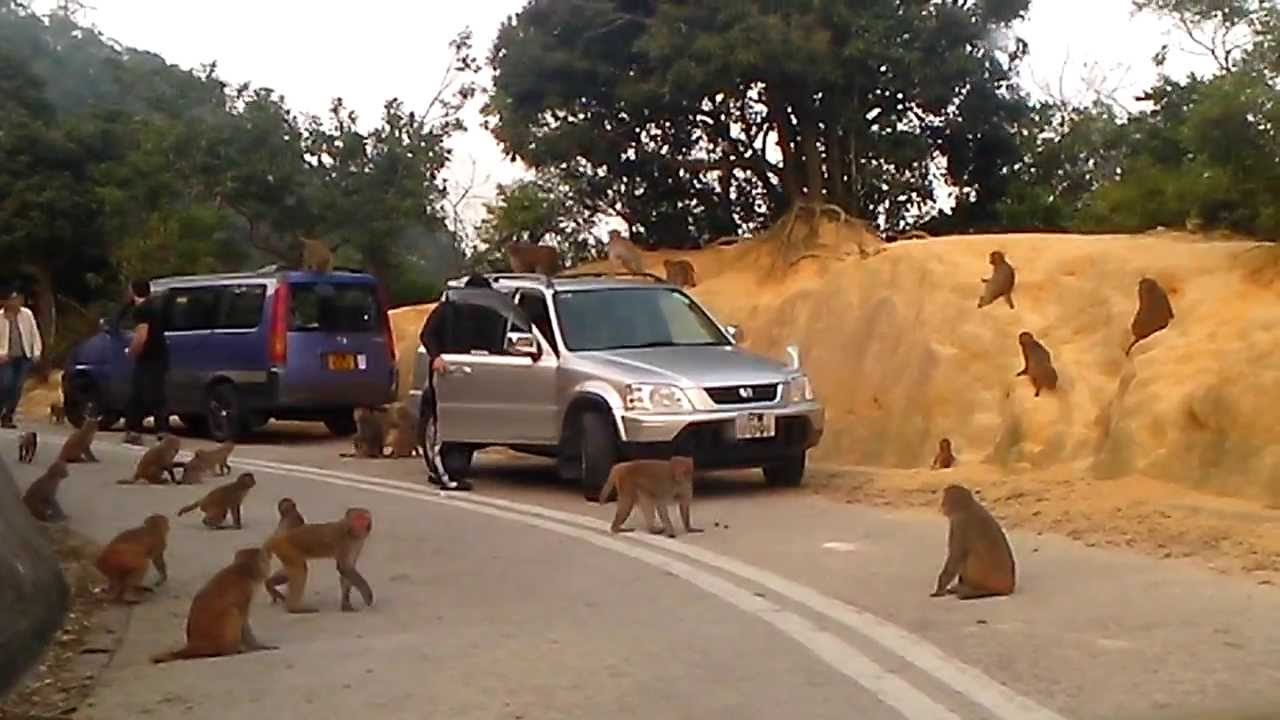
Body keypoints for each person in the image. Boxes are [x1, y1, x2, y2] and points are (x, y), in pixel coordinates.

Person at [417, 274, 504, 491]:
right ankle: (444, 475)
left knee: (464, 424)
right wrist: (436, 356)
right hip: (447, 373)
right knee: (445, 424)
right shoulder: (447, 309)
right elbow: (426, 334)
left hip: (474, 375)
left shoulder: (491, 314)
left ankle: (454, 470)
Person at [123, 279, 170, 446]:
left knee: (137, 394)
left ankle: (134, 431)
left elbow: (142, 335)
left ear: (133, 291)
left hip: (147, 357)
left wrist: (132, 351)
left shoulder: (141, 310)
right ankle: (162, 430)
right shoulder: (155, 307)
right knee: (158, 395)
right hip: (161, 356)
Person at [0, 289, 42, 429]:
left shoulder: (27, 315)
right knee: (6, 384)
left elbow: (34, 333)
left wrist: (36, 352)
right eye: (13, 300)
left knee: (17, 387)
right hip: (7, 358)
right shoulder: (1, 317)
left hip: (24, 356)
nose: (16, 303)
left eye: (18, 299)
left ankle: (8, 415)